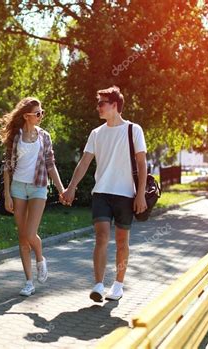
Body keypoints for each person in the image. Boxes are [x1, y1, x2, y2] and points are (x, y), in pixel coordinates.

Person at [61, 86, 148, 302]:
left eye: (102, 103)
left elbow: (142, 163)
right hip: (101, 192)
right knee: (101, 236)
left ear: (115, 105)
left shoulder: (133, 130)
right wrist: (71, 187)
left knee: (121, 241)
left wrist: (140, 195)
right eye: (98, 103)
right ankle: (98, 285)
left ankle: (118, 284)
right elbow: (84, 163)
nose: (98, 107)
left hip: (126, 194)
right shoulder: (96, 133)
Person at [0, 97, 65, 296]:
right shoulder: (16, 137)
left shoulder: (45, 137)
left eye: (42, 112)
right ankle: (28, 282)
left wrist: (62, 189)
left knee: (30, 233)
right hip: (18, 188)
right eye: (38, 113)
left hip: (38, 188)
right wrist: (7, 194)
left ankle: (40, 259)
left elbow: (51, 165)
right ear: (27, 116)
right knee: (22, 237)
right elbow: (8, 167)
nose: (41, 115)